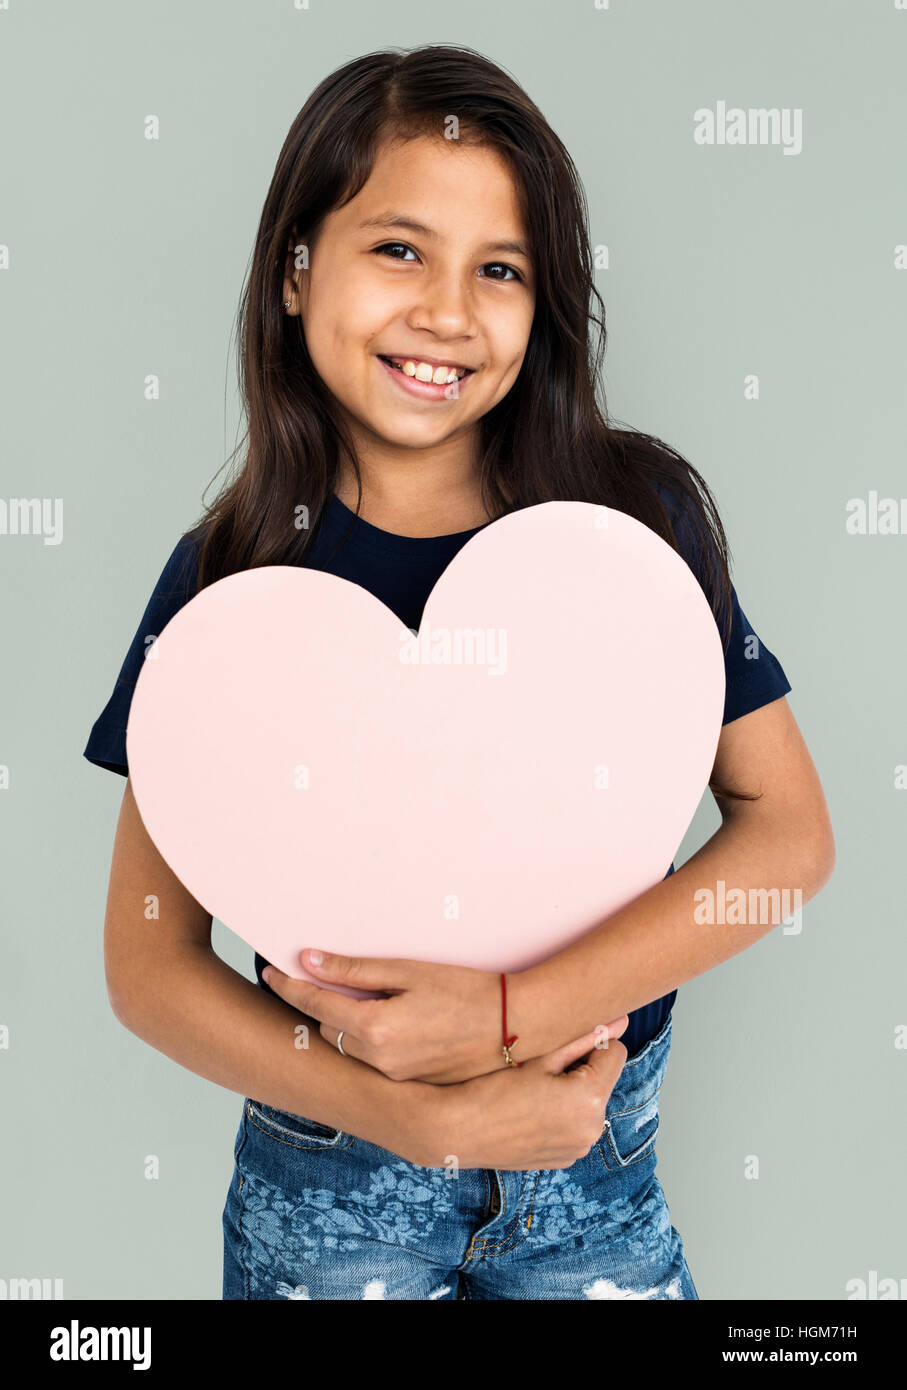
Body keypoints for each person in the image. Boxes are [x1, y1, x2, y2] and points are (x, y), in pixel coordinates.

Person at [83, 45, 835, 1301]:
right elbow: (147, 963)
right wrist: (410, 1117)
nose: (446, 309)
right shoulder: (229, 583)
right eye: (397, 249)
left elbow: (789, 843)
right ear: (292, 269)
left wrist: (507, 1016)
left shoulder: (632, 529)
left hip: (594, 1169)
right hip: (331, 1188)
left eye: (499, 269)